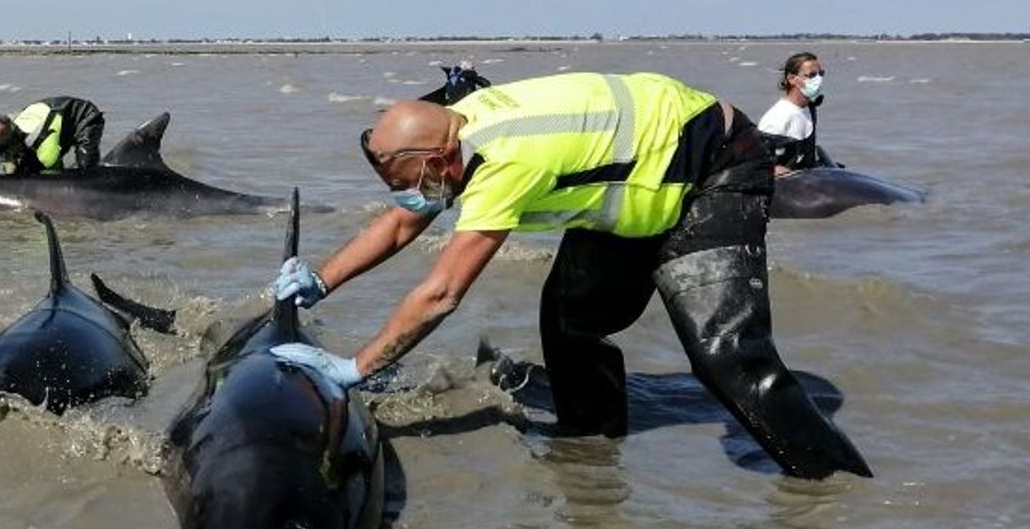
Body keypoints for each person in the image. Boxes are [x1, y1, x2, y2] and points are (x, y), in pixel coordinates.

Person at [269, 72, 872, 480]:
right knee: (568, 321)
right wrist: (322, 279)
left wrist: (356, 368)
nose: (420, 197)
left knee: (726, 357)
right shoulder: (457, 123)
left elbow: (442, 292)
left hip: (711, 165)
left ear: (442, 158)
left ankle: (834, 486)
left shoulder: (508, 161)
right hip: (631, 177)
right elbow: (405, 221)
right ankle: (591, 452)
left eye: (422, 181)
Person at [0, 96, 107, 174]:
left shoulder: (44, 148)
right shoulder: (14, 124)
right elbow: (11, 166)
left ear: (12, 147)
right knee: (27, 168)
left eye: (3, 157)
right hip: (58, 119)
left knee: (86, 169)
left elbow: (55, 177)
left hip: (84, 116)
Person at [757, 52, 837, 174]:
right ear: (792, 79)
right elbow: (760, 165)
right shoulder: (777, 118)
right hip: (787, 188)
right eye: (811, 75)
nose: (818, 80)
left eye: (821, 74)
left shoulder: (810, 108)